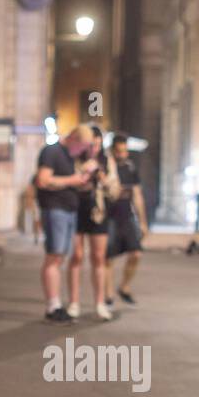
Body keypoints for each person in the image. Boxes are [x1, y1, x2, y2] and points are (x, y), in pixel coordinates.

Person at [35, 126, 97, 323]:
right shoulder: (52, 151)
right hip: (56, 209)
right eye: (83, 147)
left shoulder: (69, 156)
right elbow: (43, 180)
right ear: (73, 138)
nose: (82, 152)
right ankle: (53, 306)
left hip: (67, 210)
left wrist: (82, 179)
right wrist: (73, 179)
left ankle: (55, 304)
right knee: (54, 256)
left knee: (59, 257)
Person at [71, 124, 117, 321]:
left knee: (99, 257)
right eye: (91, 145)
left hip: (98, 212)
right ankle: (74, 302)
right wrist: (83, 173)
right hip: (75, 210)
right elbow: (69, 181)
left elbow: (115, 190)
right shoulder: (74, 159)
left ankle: (99, 303)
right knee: (77, 256)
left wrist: (103, 178)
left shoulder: (107, 161)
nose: (94, 150)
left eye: (98, 145)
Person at [104, 133, 148, 307]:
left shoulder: (130, 168)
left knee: (136, 253)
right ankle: (108, 295)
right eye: (119, 151)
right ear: (112, 150)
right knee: (109, 258)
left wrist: (143, 222)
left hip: (126, 216)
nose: (122, 154)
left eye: (125, 151)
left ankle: (124, 287)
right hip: (109, 217)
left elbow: (137, 195)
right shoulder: (106, 167)